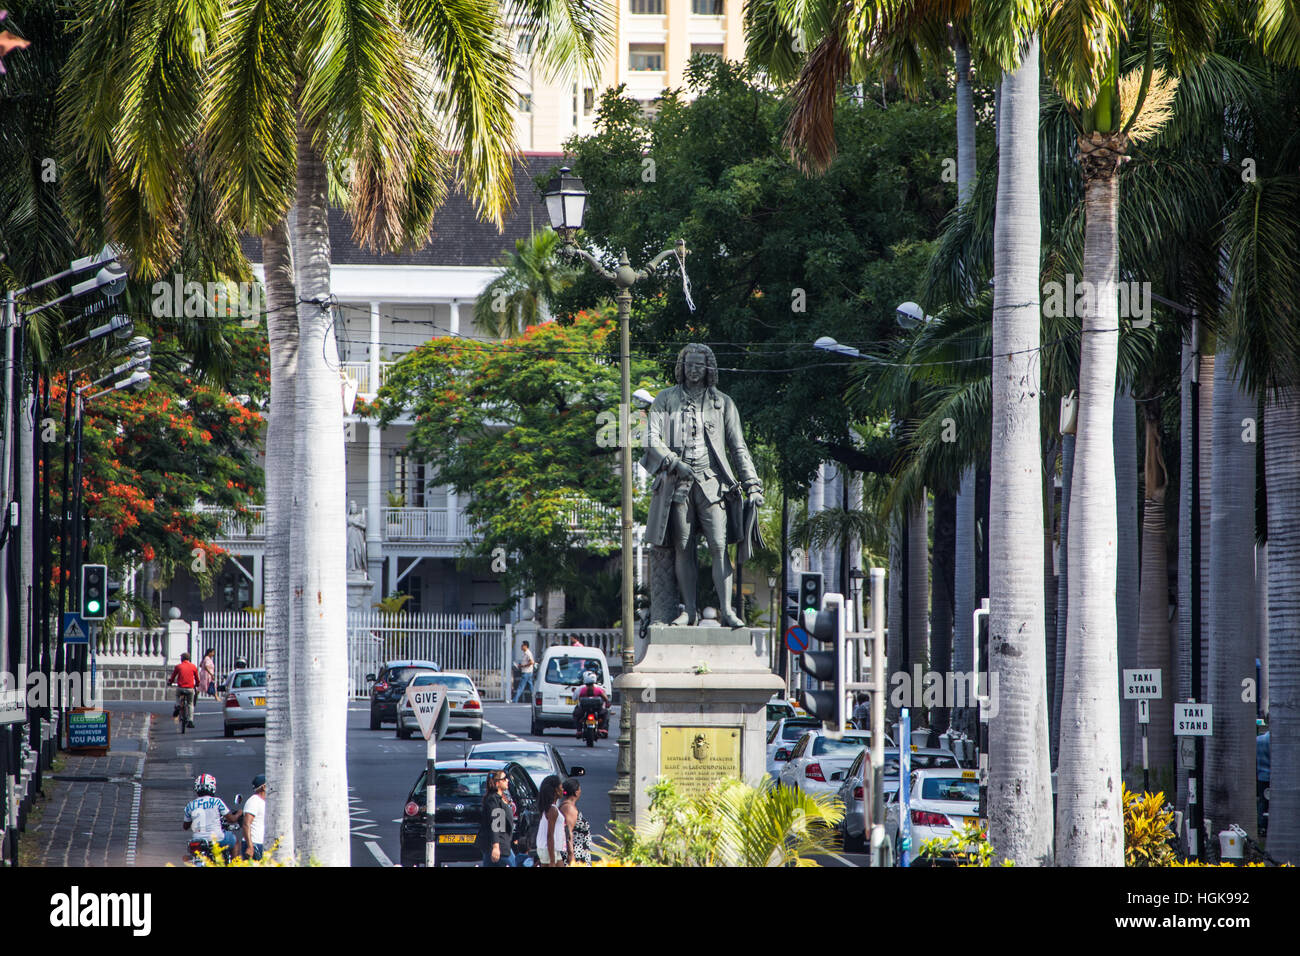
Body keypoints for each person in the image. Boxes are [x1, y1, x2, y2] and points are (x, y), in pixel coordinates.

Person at [643, 343, 763, 627]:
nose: (694, 369)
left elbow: (738, 446)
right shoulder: (665, 399)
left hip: (713, 484)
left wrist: (752, 484)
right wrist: (673, 461)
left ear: (709, 368)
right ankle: (690, 611)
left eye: (699, 365)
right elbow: (651, 437)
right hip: (678, 485)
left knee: (719, 546)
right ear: (681, 367)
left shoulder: (723, 403)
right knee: (684, 547)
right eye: (689, 364)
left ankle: (727, 610)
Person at [183, 773, 241, 859]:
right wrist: (239, 813)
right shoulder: (217, 801)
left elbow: (185, 826)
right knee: (235, 841)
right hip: (217, 839)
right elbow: (231, 820)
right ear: (212, 787)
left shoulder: (190, 805)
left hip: (197, 840)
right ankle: (234, 864)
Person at [476, 769, 517, 867]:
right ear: (497, 783)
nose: (507, 780)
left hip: (503, 844)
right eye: (504, 779)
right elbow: (495, 824)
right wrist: (496, 847)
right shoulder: (493, 800)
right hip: (498, 846)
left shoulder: (501, 798)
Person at [558, 778, 590, 865]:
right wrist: (571, 855)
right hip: (576, 856)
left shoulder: (567, 806)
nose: (580, 791)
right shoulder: (569, 808)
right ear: (576, 792)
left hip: (579, 854)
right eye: (579, 789)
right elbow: (568, 832)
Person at [536, 775, 566, 867]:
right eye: (561, 787)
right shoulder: (552, 810)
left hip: (551, 849)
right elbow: (549, 835)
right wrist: (552, 860)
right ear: (556, 790)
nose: (563, 789)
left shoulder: (550, 808)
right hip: (548, 849)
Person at [167, 652, 199, 728]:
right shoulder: (193, 666)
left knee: (177, 695)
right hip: (190, 689)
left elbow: (173, 676)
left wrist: (170, 682)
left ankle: (178, 705)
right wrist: (197, 684)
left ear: (182, 659)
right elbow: (197, 678)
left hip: (180, 688)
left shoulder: (178, 666)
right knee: (190, 704)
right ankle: (190, 721)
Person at [572, 670, 608, 736]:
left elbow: (574, 699)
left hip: (583, 710)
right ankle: (602, 728)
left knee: (575, 714)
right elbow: (606, 698)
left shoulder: (580, 689)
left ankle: (579, 730)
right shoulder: (599, 688)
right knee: (605, 713)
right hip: (597, 710)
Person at [242, 774, 268, 860]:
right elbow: (246, 824)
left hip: (260, 843)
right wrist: (250, 846)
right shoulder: (254, 801)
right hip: (254, 844)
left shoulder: (263, 802)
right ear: (264, 787)